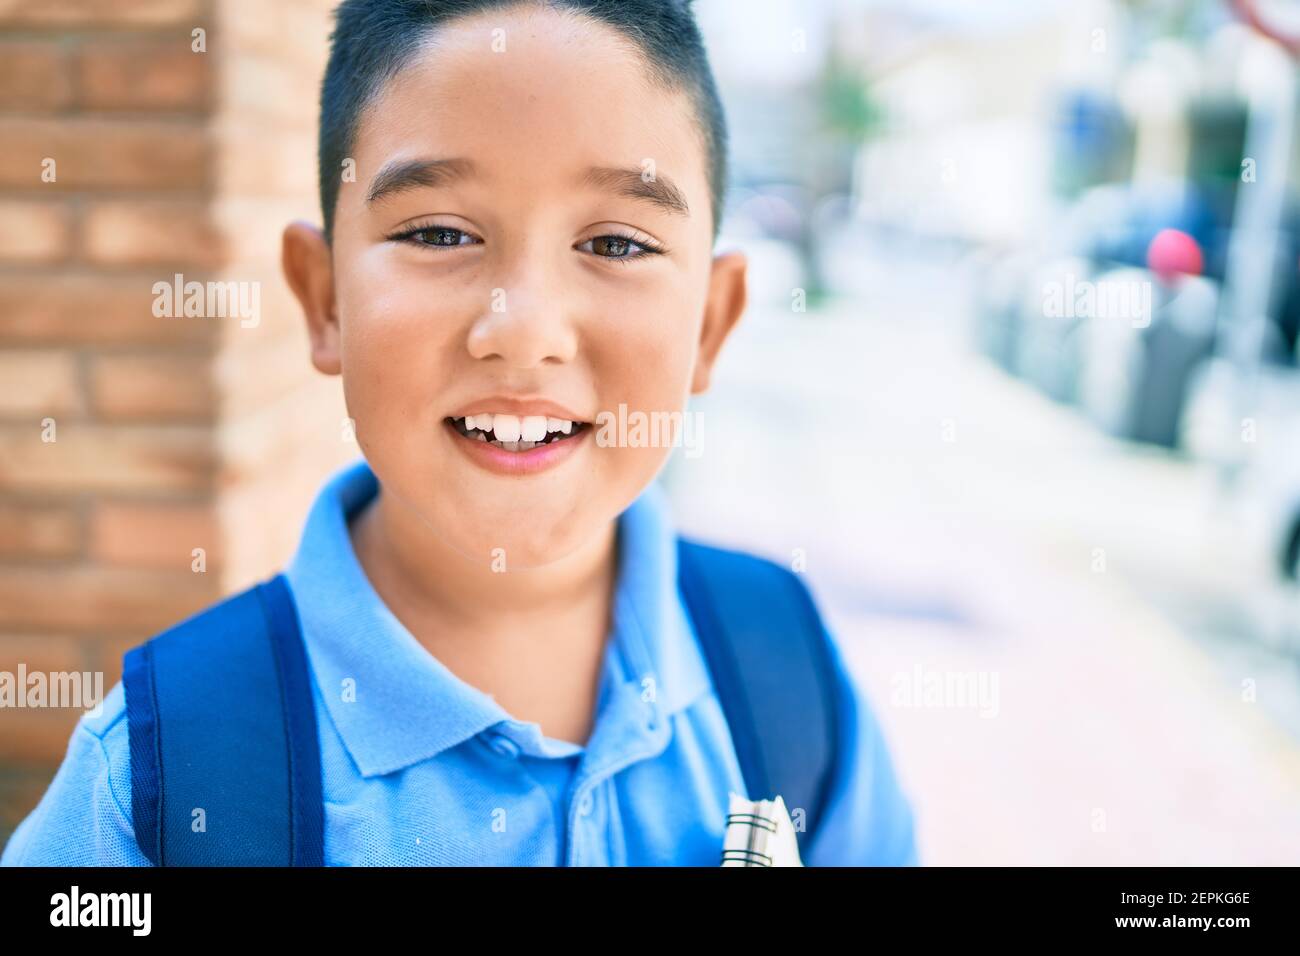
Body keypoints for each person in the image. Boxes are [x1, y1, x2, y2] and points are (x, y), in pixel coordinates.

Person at [1, 0, 917, 867]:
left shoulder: (784, 679)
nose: (522, 331)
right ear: (325, 299)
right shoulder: (156, 790)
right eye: (439, 233)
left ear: (711, 325)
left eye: (617, 244)